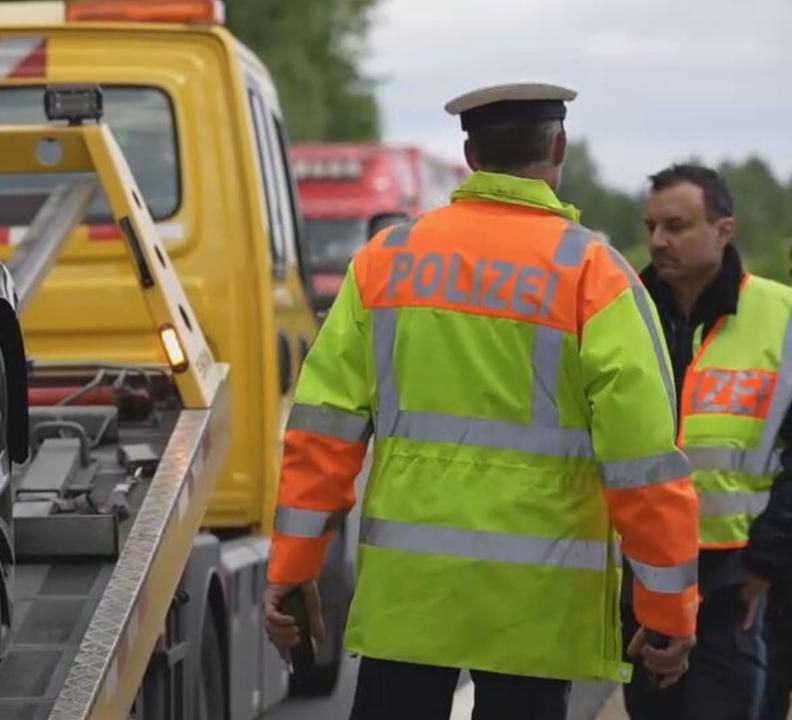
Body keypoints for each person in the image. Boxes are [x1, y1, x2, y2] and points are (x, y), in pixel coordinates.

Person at [262, 82, 701, 720]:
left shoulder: (386, 262)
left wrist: (294, 565)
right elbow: (644, 462)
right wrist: (667, 609)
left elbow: (322, 433)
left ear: (469, 155)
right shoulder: (596, 275)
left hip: (409, 600)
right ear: (559, 146)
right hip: (537, 606)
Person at [626, 163, 792, 720]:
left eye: (676, 225)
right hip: (645, 576)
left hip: (740, 581)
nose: (657, 241)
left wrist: (765, 564)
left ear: (724, 230)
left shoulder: (782, 316)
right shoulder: (624, 314)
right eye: (651, 225)